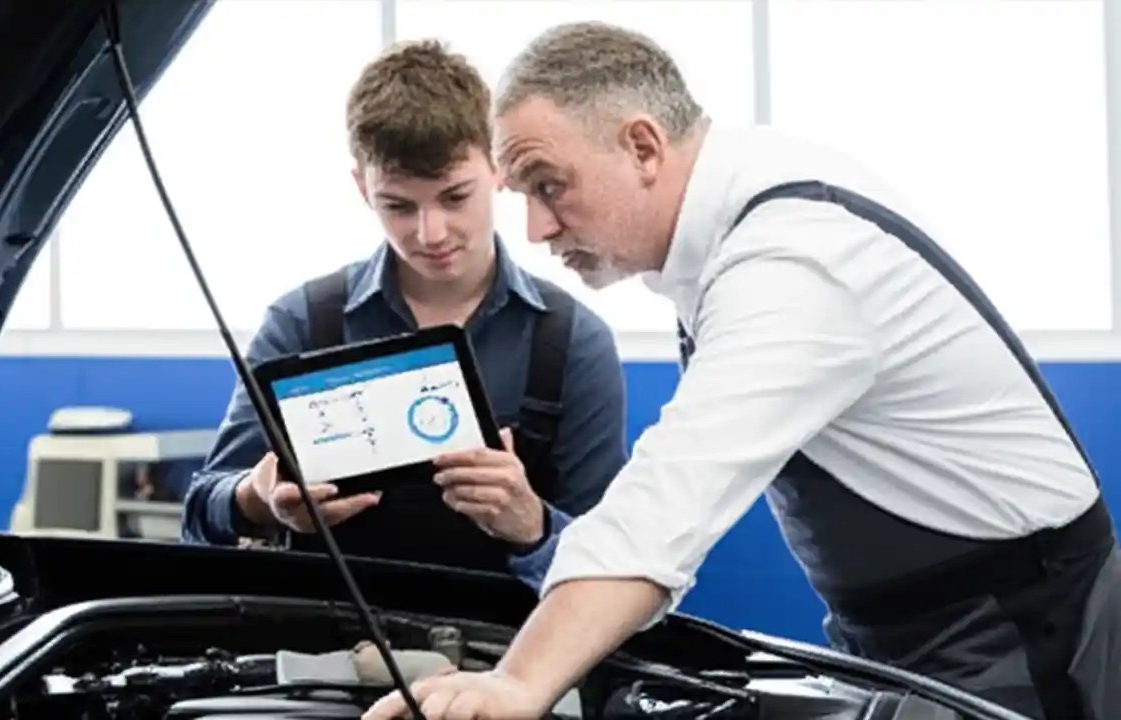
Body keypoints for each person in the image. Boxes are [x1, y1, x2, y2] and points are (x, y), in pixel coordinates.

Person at [364, 21, 1120, 720]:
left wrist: (517, 681)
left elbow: (668, 502)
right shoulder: (737, 211)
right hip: (902, 624)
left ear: (643, 147)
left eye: (548, 185)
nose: (536, 228)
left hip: (1019, 625)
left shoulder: (793, 261)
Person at [180, 38, 628, 588]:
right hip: (320, 653)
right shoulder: (302, 323)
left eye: (454, 196)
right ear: (361, 188)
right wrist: (259, 498)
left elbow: (614, 565)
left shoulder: (575, 342)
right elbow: (201, 511)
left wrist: (531, 525)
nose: (430, 233)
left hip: (507, 660)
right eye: (398, 205)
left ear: (498, 169)